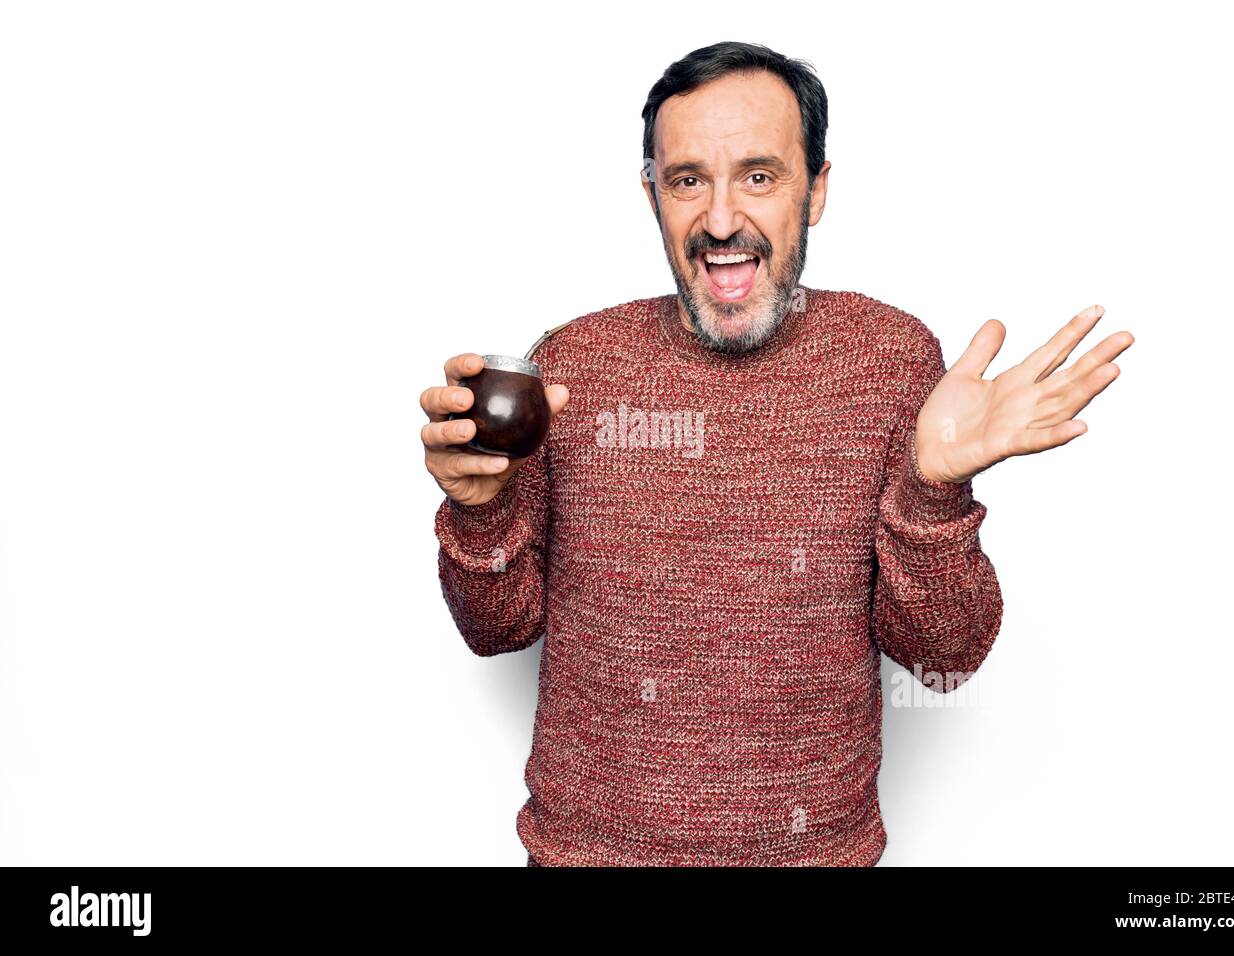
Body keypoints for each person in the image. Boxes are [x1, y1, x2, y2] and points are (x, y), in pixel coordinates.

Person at [419, 41, 1134, 866]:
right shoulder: (571, 366)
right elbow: (496, 633)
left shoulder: (891, 361)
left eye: (759, 176)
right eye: (688, 180)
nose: (721, 220)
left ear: (818, 188)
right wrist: (481, 514)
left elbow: (945, 658)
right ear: (651, 195)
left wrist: (936, 492)